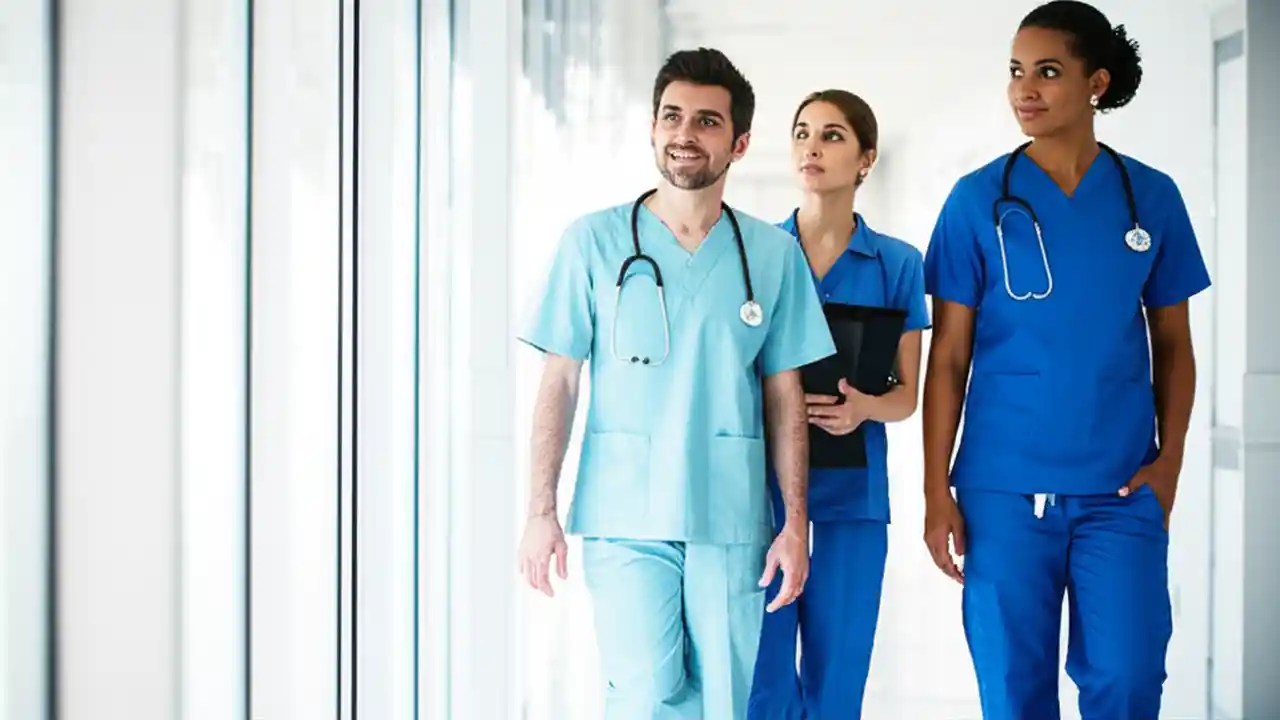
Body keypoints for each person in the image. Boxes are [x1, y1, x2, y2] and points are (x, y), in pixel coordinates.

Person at [515, 47, 836, 719]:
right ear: (653, 129)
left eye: (707, 121)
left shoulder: (772, 257)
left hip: (730, 516)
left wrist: (796, 521)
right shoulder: (593, 243)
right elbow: (560, 383)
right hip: (624, 512)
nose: (685, 133)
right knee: (644, 694)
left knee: (725, 696)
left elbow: (785, 395)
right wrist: (540, 508)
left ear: (739, 142)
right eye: (672, 116)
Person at [921, 2, 1212, 718]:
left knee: (1130, 679)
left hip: (1120, 489)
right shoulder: (975, 201)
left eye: (1048, 71)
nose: (1026, 88)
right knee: (1015, 694)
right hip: (1003, 491)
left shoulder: (1151, 197)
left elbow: (1173, 345)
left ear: (1096, 83)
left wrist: (1168, 463)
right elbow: (948, 357)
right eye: (1017, 71)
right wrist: (935, 490)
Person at [748, 90, 928, 719]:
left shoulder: (899, 264)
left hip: (854, 495)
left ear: (865, 159)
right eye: (802, 133)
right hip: (761, 493)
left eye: (830, 136)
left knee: (837, 681)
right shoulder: (756, 254)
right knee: (763, 680)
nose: (811, 148)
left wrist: (863, 410)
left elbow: (907, 396)